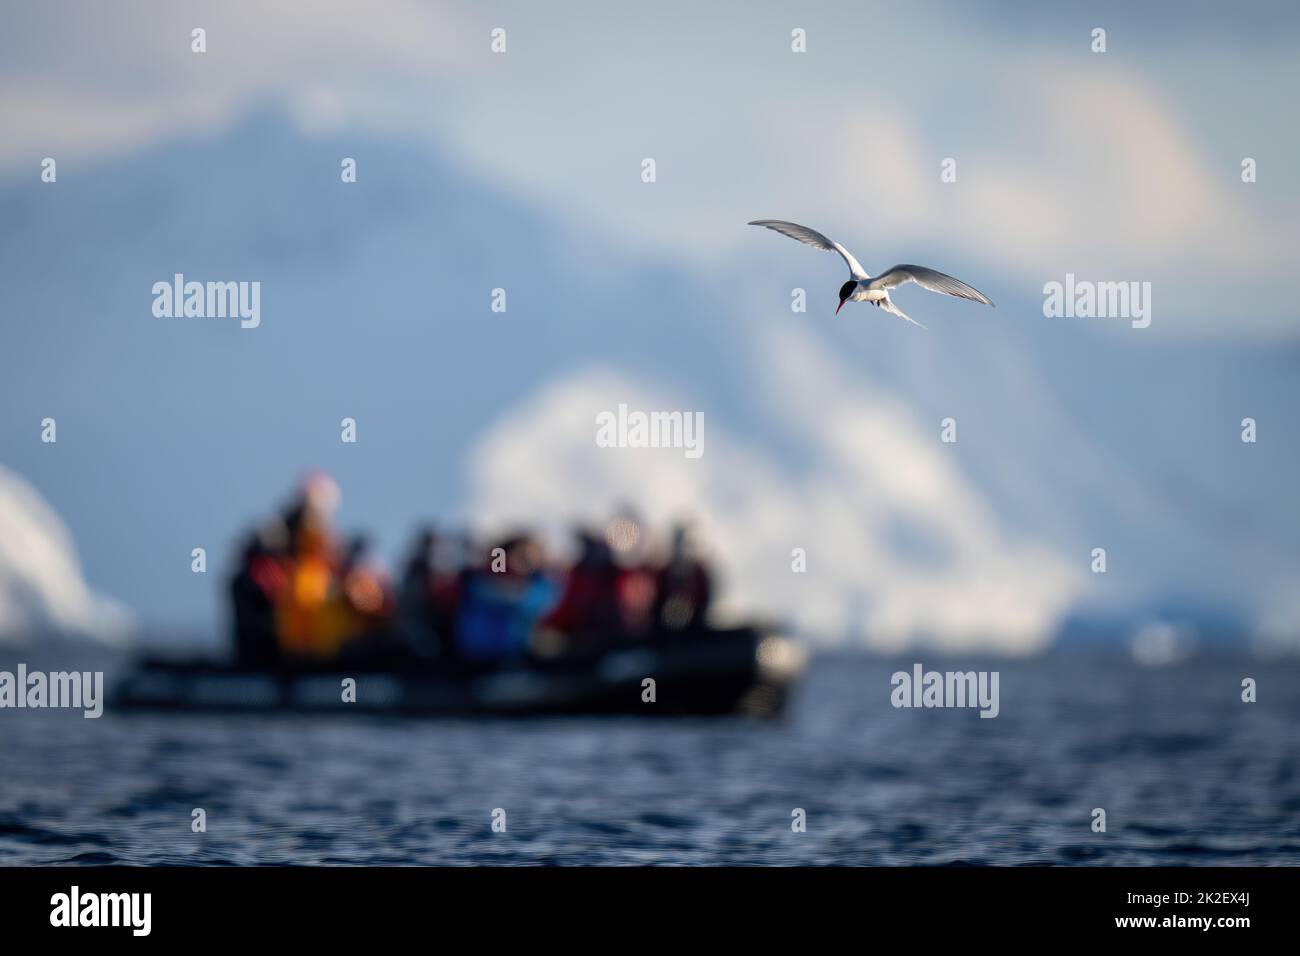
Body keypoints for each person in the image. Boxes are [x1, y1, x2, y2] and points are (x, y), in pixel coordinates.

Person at [455, 533, 558, 664]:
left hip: (514, 655)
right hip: (481, 656)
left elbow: (534, 603)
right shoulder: (482, 581)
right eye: (520, 555)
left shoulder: (539, 584)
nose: (525, 561)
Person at [652, 522, 713, 633]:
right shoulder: (662, 574)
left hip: (696, 629)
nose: (681, 549)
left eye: (686, 543)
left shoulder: (700, 574)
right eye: (678, 543)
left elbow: (705, 605)